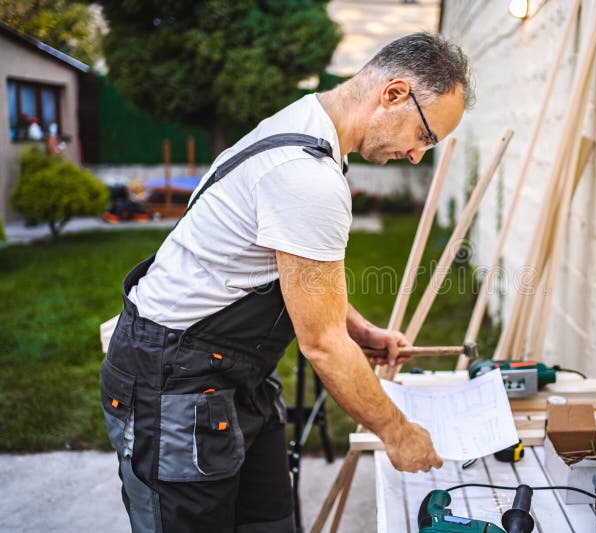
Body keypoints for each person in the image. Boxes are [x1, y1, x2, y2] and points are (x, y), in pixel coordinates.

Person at [100, 32, 474, 532]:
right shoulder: (306, 175)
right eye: (425, 136)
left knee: (270, 523)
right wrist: (397, 431)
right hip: (171, 380)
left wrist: (363, 333)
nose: (416, 156)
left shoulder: (308, 123)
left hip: (234, 372)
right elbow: (320, 344)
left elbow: (299, 276)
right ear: (394, 94)